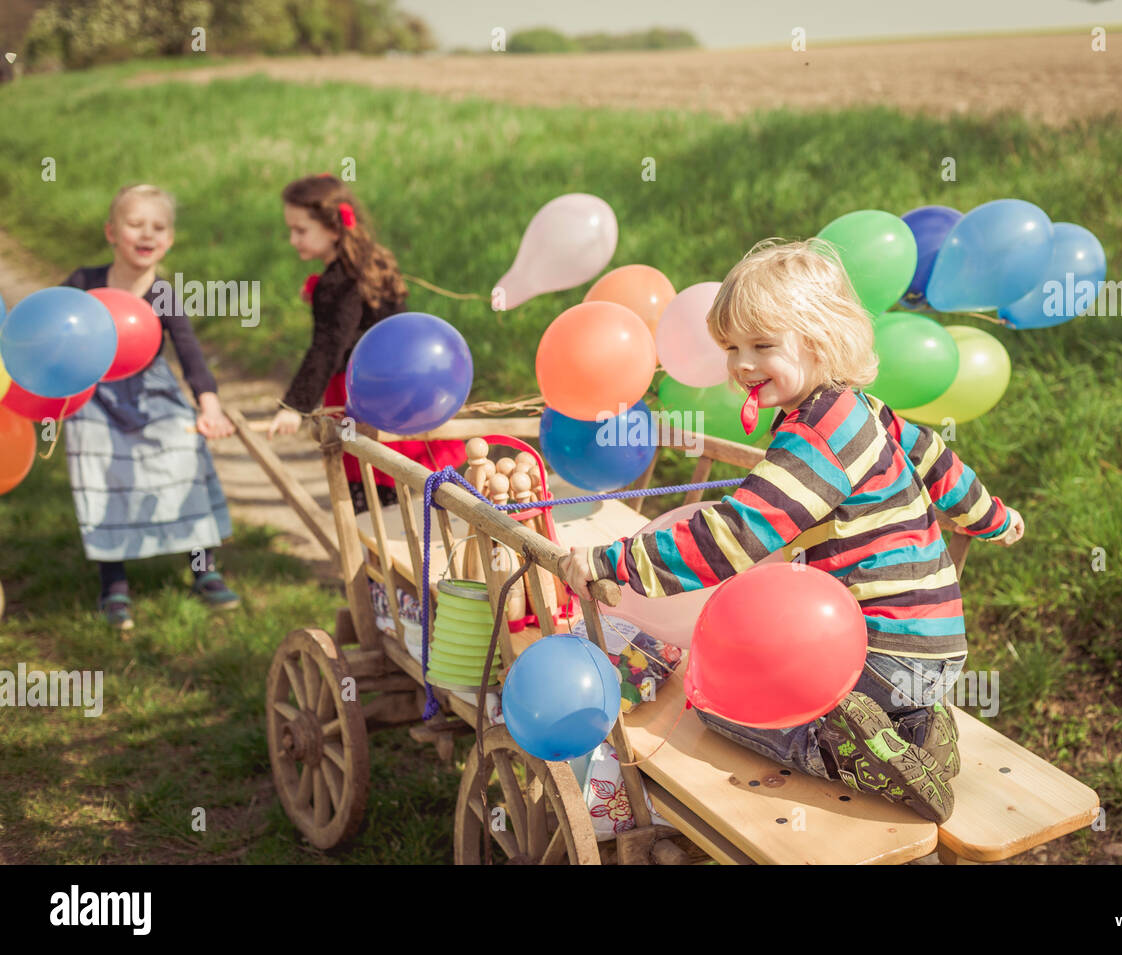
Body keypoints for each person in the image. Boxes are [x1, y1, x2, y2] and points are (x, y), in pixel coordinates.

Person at [559, 237, 1025, 823]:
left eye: (761, 346)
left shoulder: (817, 438)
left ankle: (839, 750)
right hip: (935, 653)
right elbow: (939, 462)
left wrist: (615, 561)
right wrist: (994, 518)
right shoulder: (867, 409)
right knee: (811, 671)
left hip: (876, 655)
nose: (742, 364)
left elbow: (737, 534)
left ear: (820, 341)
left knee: (719, 707)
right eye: (731, 348)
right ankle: (918, 728)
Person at [62, 184, 238, 632]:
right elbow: (54, 332)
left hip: (151, 392)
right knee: (99, 466)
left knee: (185, 457)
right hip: (96, 392)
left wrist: (209, 407)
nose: (147, 233)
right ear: (111, 232)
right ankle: (113, 581)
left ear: (170, 239)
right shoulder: (84, 283)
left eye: (157, 226)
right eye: (135, 224)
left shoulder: (163, 293)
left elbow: (191, 355)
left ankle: (203, 566)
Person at [267, 174, 466, 511]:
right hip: (401, 389)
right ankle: (408, 543)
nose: (292, 239)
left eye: (300, 230)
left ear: (333, 228)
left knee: (368, 481)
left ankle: (378, 553)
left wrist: (295, 406)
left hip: (358, 394)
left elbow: (328, 346)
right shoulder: (373, 262)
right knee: (401, 482)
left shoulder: (337, 282)